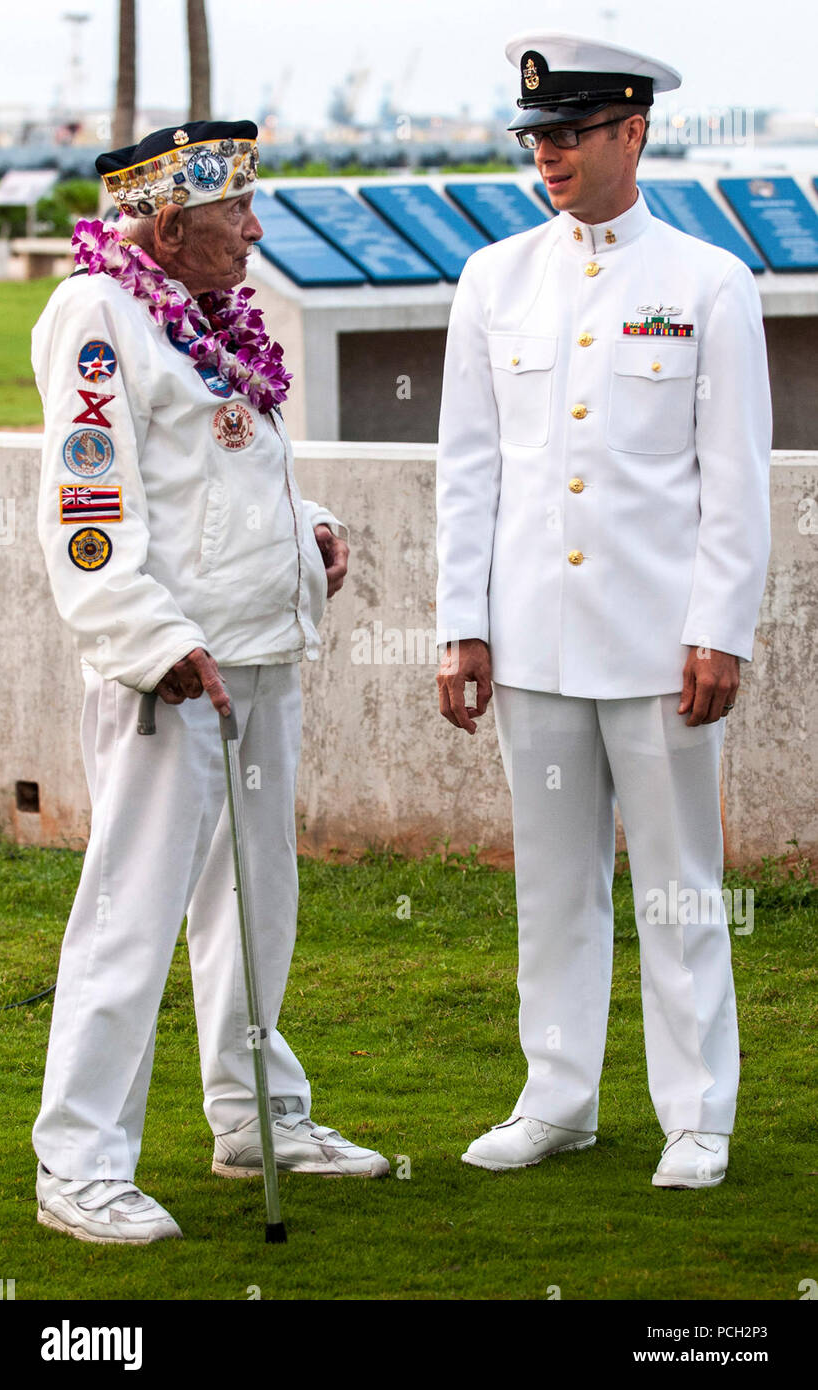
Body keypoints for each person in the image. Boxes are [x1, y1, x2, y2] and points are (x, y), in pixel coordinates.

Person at [32, 119, 388, 1246]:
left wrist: (311, 529)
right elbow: (89, 510)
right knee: (128, 916)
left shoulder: (212, 317)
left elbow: (226, 478)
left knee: (256, 902)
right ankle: (80, 1163)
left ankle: (257, 1119)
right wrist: (146, 636)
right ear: (171, 225)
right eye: (236, 209)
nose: (255, 226)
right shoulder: (96, 315)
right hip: (172, 672)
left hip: (259, 657)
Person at [435, 35, 771, 1188]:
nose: (548, 155)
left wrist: (718, 626)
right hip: (530, 638)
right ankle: (557, 1097)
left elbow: (732, 478)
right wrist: (458, 623)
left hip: (655, 643)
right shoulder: (494, 280)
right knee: (552, 884)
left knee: (677, 882)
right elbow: (468, 467)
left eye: (569, 133)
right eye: (535, 137)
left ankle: (695, 1113)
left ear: (632, 131)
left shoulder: (706, 283)